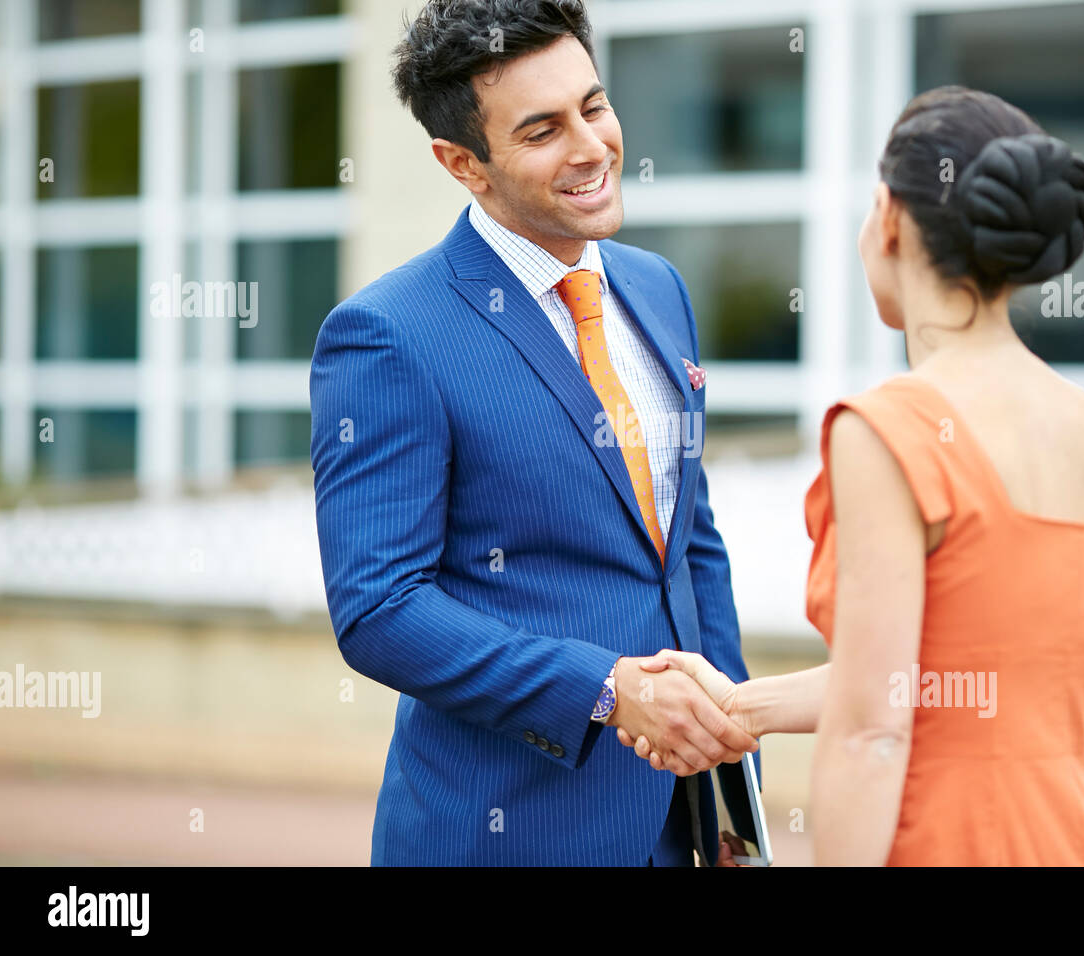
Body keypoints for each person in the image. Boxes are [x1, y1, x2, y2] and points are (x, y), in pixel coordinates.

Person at [620, 86, 1084, 867]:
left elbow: (873, 731)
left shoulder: (888, 429)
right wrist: (739, 705)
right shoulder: (1081, 424)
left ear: (891, 218)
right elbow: (947, 678)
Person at [309, 0, 757, 867]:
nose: (591, 147)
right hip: (504, 833)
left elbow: (690, 545)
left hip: (683, 826)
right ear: (461, 163)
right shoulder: (388, 334)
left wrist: (734, 791)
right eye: (543, 130)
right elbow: (378, 609)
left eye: (593, 106)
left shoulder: (658, 287)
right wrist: (603, 691)